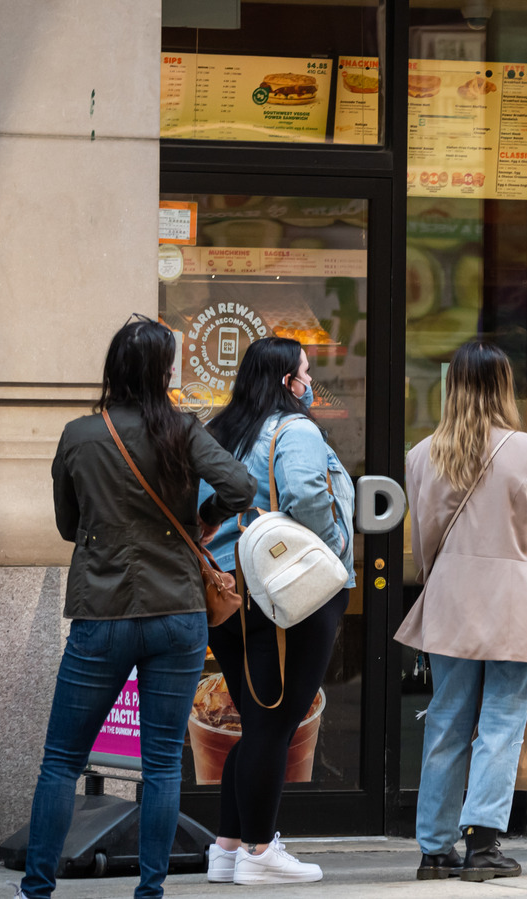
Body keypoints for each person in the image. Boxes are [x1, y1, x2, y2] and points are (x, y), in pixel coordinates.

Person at [21, 317, 256, 899]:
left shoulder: (79, 434)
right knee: (161, 764)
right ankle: (149, 891)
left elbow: (67, 525)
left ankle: (38, 889)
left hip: (103, 613)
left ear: (113, 370)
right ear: (165, 372)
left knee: (61, 762)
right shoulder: (181, 429)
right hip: (178, 611)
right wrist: (201, 524)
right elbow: (241, 487)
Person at [394, 341, 527, 883]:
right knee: (501, 723)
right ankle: (485, 845)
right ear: (504, 386)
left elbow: (422, 547)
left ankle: (435, 848)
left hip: (450, 601)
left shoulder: (423, 454)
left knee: (445, 721)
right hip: (514, 601)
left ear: (453, 387)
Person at [198, 337, 356, 886]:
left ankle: (229, 845)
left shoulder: (218, 432)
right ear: (288, 381)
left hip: (230, 593)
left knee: (257, 720)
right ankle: (261, 850)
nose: (311, 383)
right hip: (290, 594)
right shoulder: (296, 430)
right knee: (275, 722)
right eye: (306, 373)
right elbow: (308, 494)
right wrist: (334, 551)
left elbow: (203, 510)